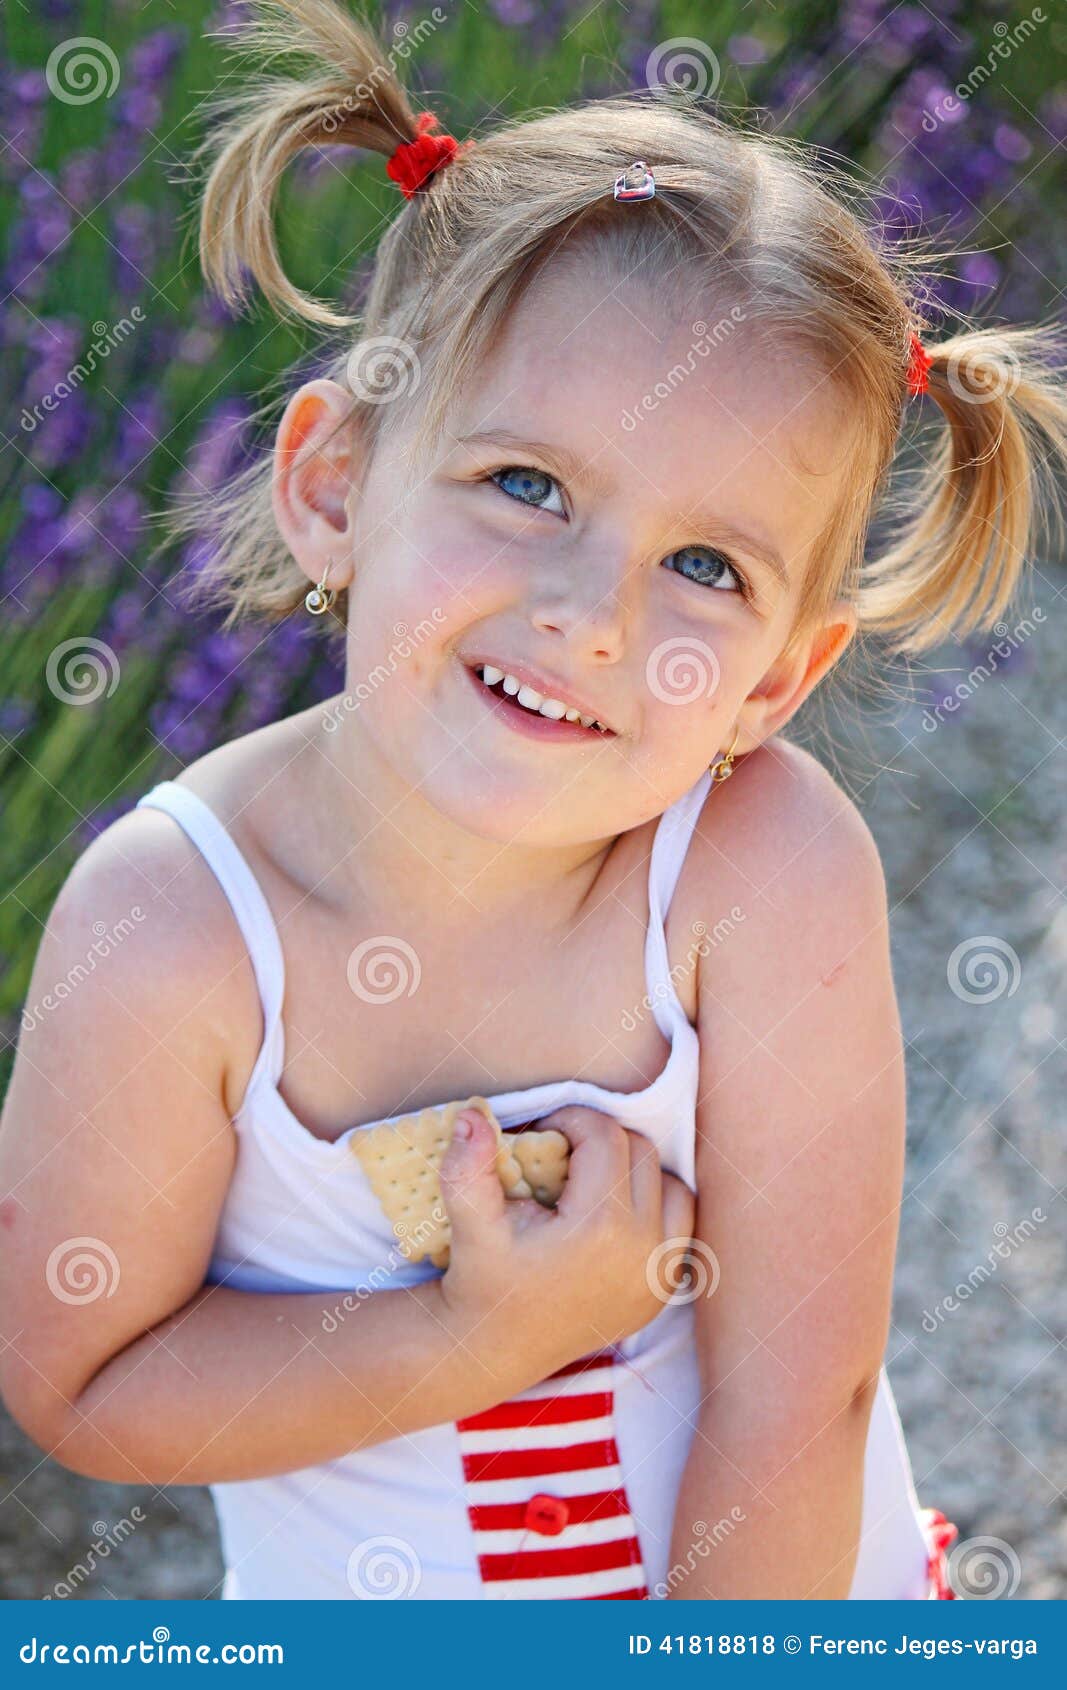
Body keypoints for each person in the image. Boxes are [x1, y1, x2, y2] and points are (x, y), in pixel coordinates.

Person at [2, 0, 1064, 1602]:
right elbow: (81, 1378)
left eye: (707, 567)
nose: (595, 611)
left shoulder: (758, 878)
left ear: (778, 678)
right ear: (334, 485)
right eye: (527, 485)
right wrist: (469, 1335)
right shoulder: (172, 931)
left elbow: (800, 1398)